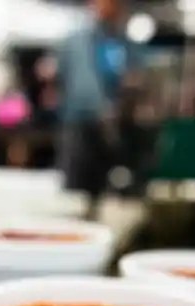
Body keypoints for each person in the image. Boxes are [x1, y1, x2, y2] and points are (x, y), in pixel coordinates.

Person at [55, 0, 134, 220]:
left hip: (111, 124)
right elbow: (74, 80)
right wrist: (100, 108)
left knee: (103, 189)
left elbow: (130, 74)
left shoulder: (120, 41)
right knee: (77, 190)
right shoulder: (77, 39)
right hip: (81, 121)